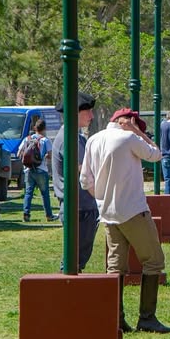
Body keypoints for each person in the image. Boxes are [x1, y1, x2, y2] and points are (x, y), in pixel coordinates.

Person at [80, 108, 170, 334]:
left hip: (108, 213)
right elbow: (156, 154)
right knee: (153, 260)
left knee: (115, 266)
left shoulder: (93, 139)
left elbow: (85, 180)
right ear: (129, 121)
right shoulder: (129, 137)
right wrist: (137, 133)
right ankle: (147, 318)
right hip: (133, 210)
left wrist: (103, 199)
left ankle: (116, 319)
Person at [51, 92, 100, 271]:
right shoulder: (70, 138)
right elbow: (85, 170)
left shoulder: (73, 137)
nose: (91, 116)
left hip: (80, 206)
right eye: (88, 112)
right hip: (79, 208)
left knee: (76, 259)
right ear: (75, 113)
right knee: (73, 261)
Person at [21, 117, 54, 223]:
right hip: (41, 169)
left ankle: (26, 214)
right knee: (45, 194)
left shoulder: (27, 139)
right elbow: (50, 155)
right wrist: (42, 157)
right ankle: (49, 215)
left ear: (35, 128)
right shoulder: (45, 140)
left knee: (28, 193)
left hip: (28, 170)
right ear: (44, 128)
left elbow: (19, 152)